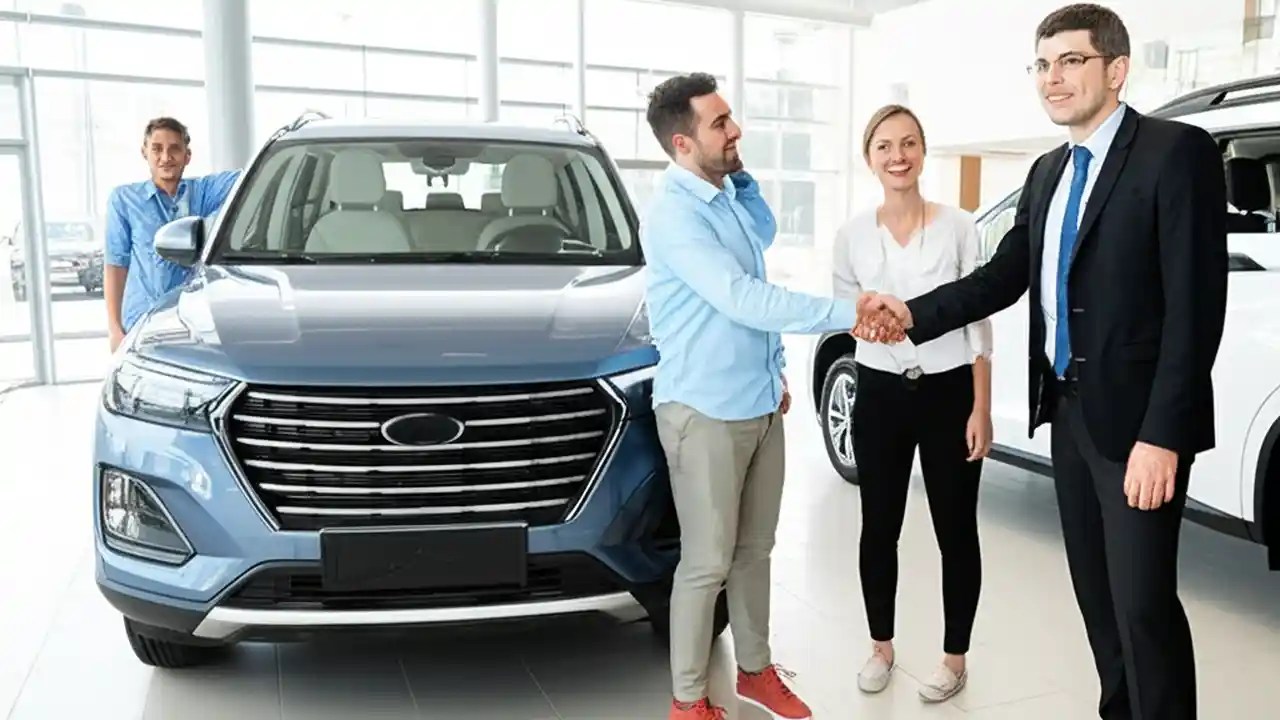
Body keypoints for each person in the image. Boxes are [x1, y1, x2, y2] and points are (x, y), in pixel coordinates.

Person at [854, 5, 1227, 719]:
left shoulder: (1174, 153)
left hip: (1139, 427)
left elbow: (1194, 309)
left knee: (1144, 606)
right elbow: (1003, 275)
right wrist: (913, 313)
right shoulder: (1049, 170)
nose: (1053, 78)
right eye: (1043, 63)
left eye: (1072, 61)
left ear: (1116, 70)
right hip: (1068, 412)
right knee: (1098, 601)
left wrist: (1164, 436)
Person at [641, 72, 862, 720]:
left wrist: (736, 172)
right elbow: (743, 297)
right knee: (706, 562)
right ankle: (688, 702)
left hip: (760, 403)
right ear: (683, 144)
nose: (736, 130)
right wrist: (849, 311)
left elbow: (761, 238)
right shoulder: (676, 217)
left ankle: (756, 672)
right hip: (703, 411)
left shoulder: (721, 197)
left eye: (732, 118)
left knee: (754, 552)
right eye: (720, 124)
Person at [831, 103, 992, 703]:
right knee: (879, 527)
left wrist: (981, 408)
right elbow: (847, 316)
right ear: (868, 158)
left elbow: (978, 321)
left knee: (957, 531)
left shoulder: (958, 226)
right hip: (879, 393)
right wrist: (865, 324)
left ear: (924, 152)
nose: (897, 156)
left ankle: (954, 657)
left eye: (909, 144)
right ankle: (881, 648)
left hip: (950, 392)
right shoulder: (850, 235)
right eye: (884, 146)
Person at [104, 117, 241, 351]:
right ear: (144, 152)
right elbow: (116, 265)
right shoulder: (124, 199)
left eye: (174, 149)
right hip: (141, 324)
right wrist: (114, 329)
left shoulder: (203, 192)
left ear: (187, 156)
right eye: (157, 149)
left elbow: (249, 176)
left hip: (192, 325)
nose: (166, 157)